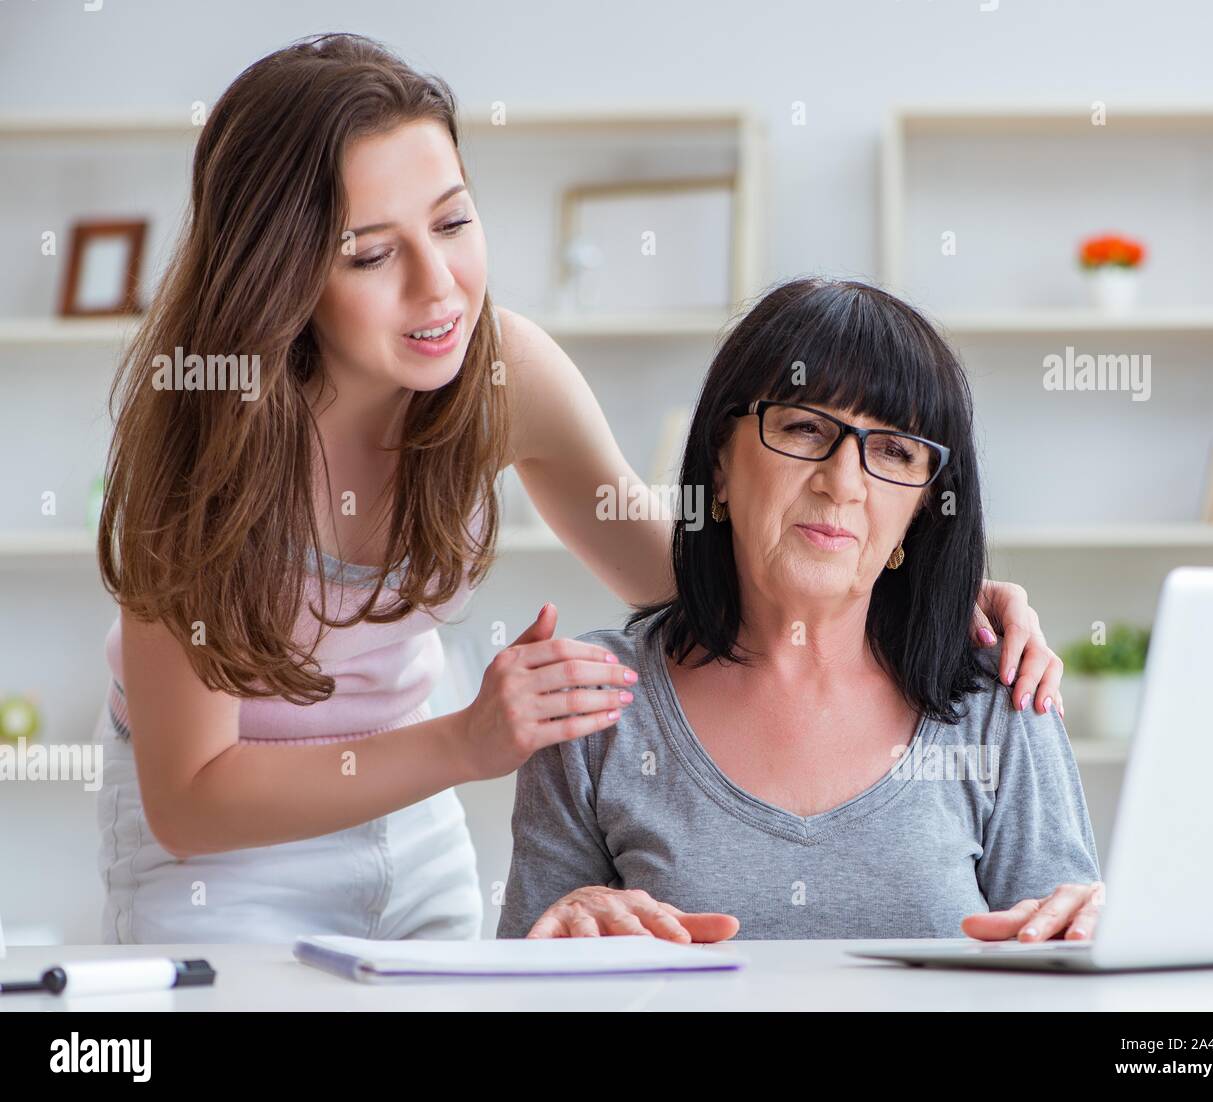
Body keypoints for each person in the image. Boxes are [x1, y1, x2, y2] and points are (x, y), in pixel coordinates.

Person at [95, 34, 1063, 944]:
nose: (440, 289)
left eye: (453, 221)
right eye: (371, 253)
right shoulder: (199, 438)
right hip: (221, 849)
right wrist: (472, 741)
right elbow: (189, 799)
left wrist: (929, 594)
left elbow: (684, 571)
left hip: (405, 811)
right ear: (276, 269)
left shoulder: (502, 372)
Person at [500, 278, 1101, 943]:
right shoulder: (595, 705)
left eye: (895, 451)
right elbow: (522, 993)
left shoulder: (1001, 702)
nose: (843, 483)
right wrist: (558, 942)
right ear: (720, 465)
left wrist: (1103, 942)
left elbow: (1064, 977)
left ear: (923, 507)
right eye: (804, 428)